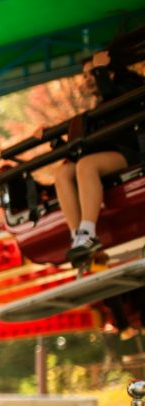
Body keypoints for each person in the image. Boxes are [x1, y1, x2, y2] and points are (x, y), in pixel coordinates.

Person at [46, 32, 145, 263]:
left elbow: (120, 110)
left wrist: (102, 73)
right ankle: (78, 238)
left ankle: (88, 233)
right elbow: (86, 148)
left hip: (135, 150)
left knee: (86, 165)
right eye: (86, 75)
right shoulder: (99, 108)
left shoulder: (130, 89)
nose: (88, 79)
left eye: (93, 73)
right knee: (63, 172)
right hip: (113, 154)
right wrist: (53, 140)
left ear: (110, 72)